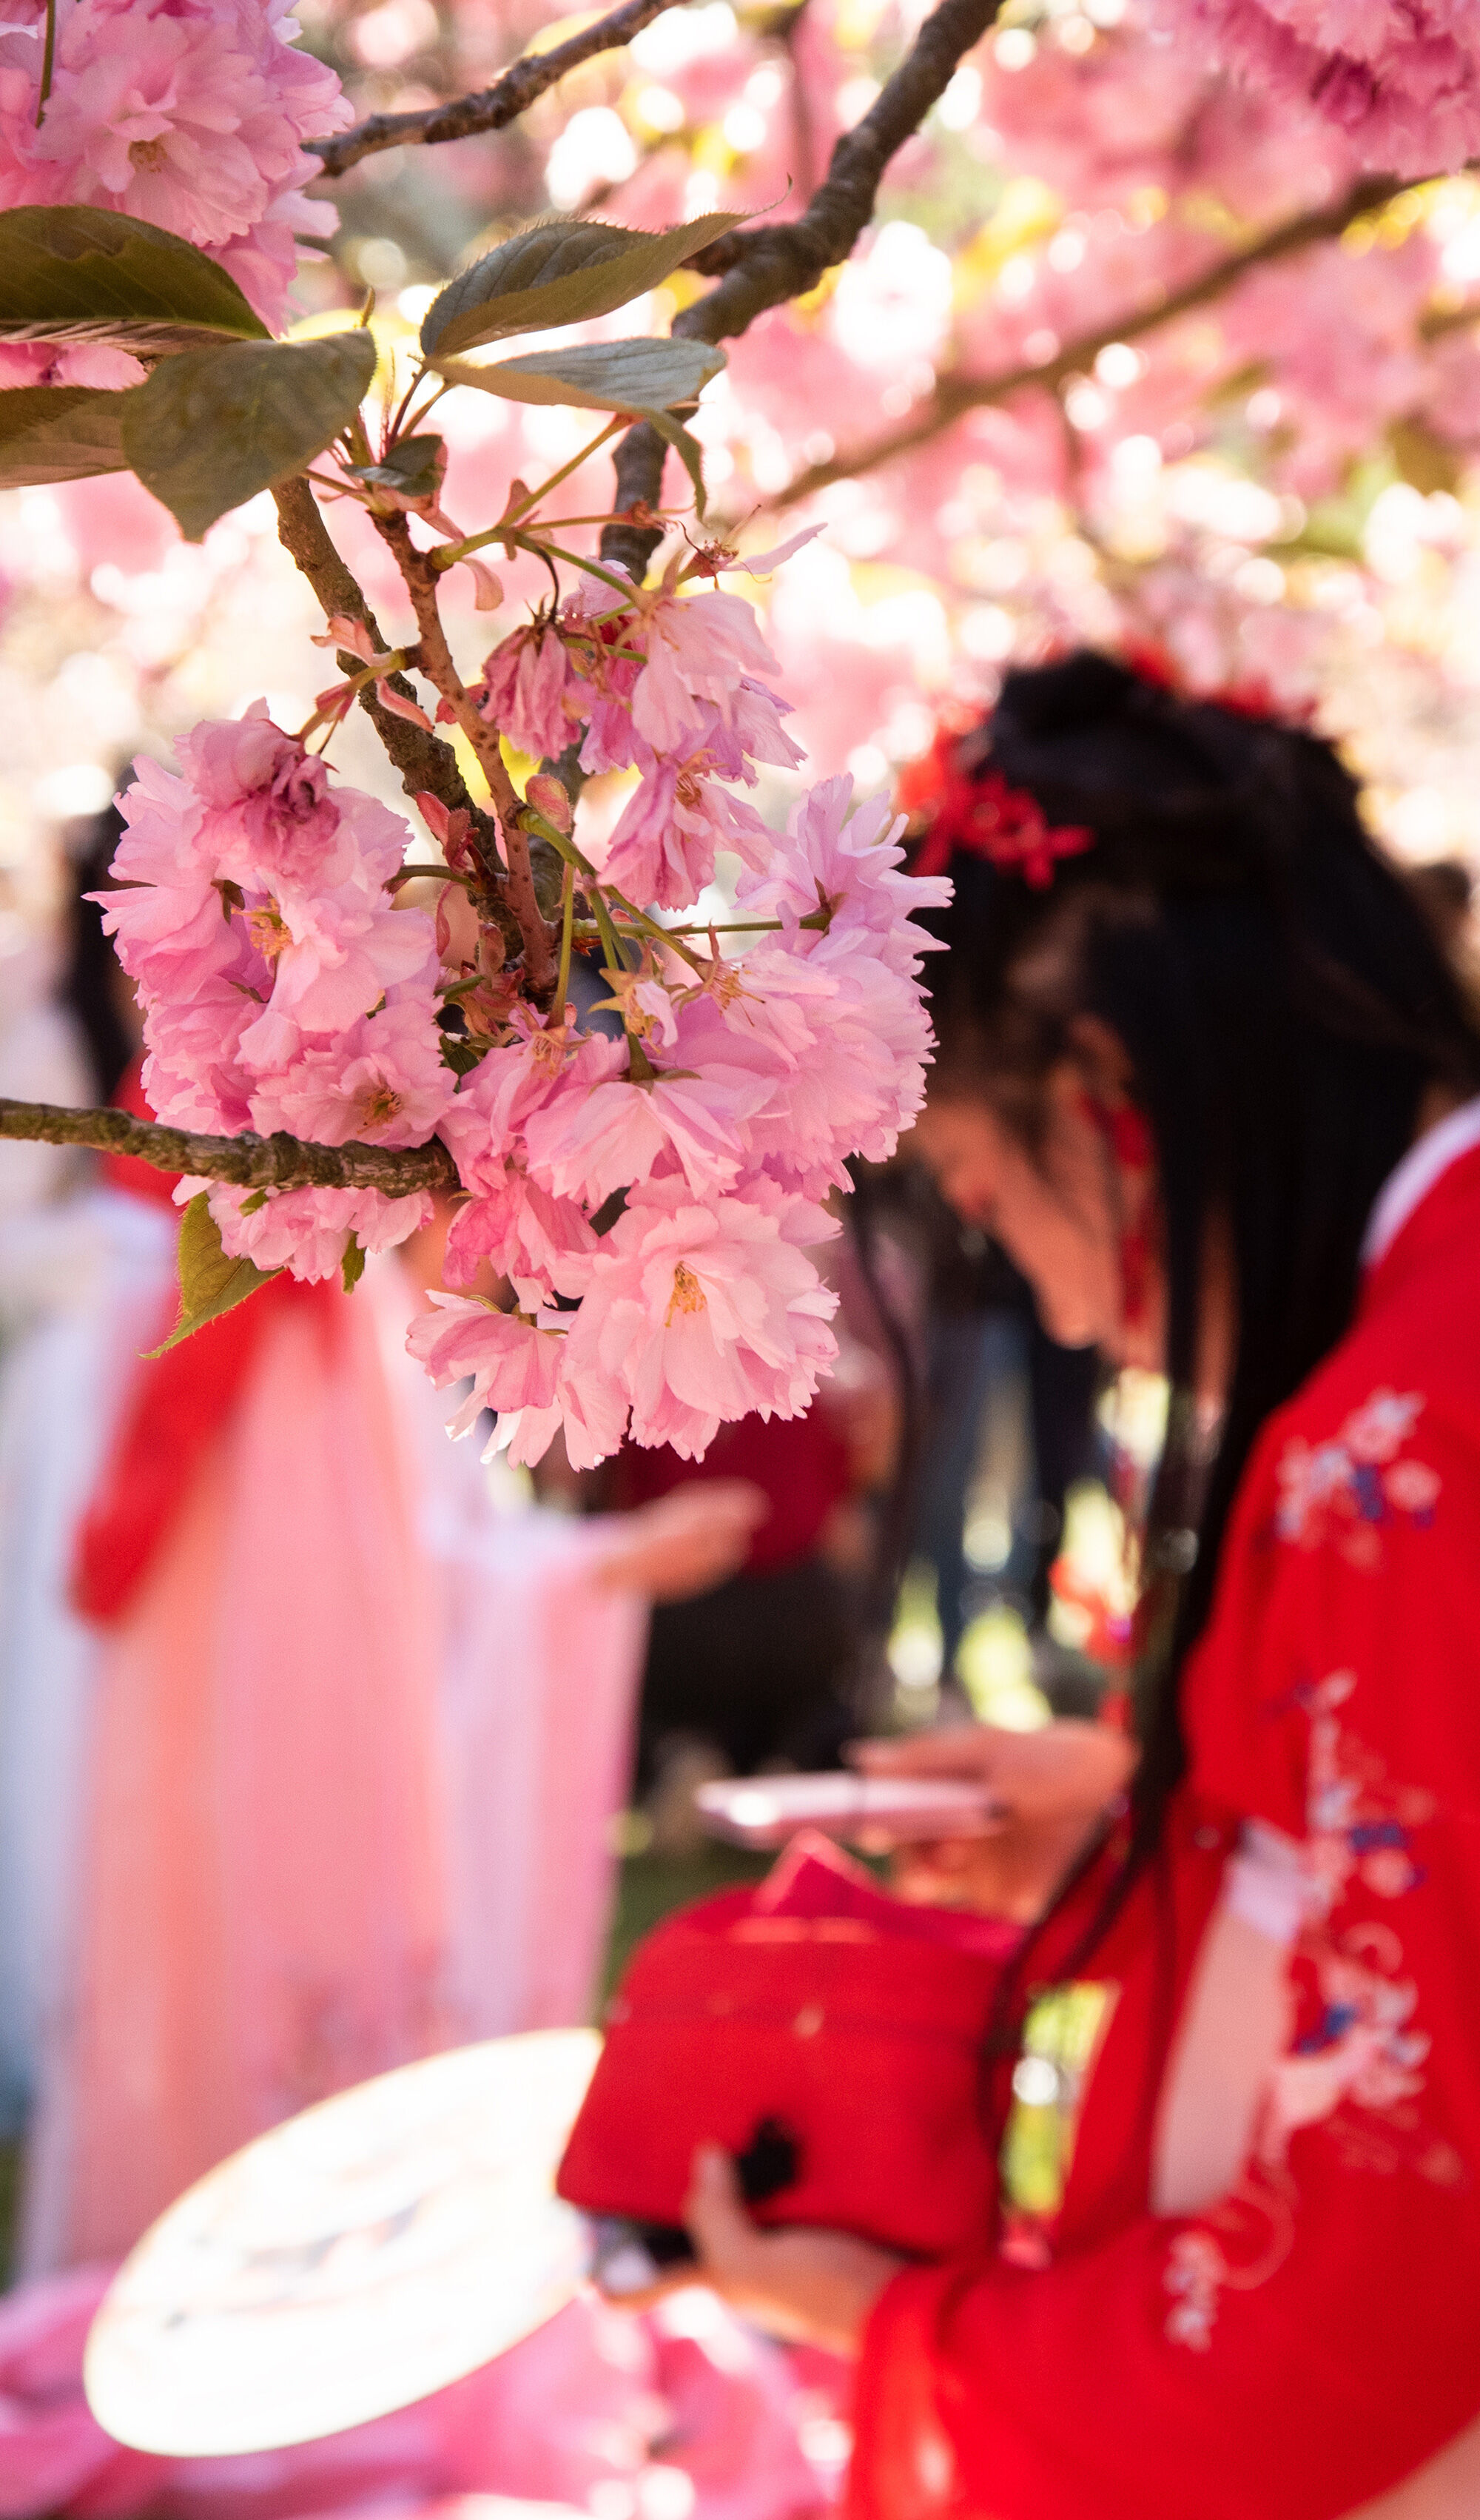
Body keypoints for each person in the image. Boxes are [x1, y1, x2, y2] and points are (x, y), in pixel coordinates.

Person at [622, 652, 1480, 2517]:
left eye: (992, 1201)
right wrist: (1143, 1813)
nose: (1065, 1309)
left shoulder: (1404, 1440)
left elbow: (1417, 2227)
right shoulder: (1418, 1351)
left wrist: (919, 2336)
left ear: (1104, 1104)